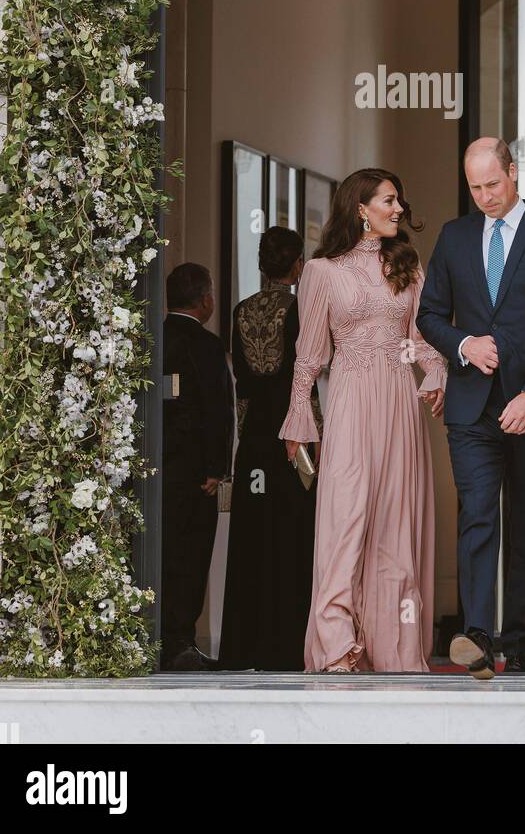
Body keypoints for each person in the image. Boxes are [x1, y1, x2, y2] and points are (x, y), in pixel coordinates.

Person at [416, 137, 525, 679]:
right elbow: (430, 315)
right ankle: (480, 637)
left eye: (493, 184)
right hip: (471, 407)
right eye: (475, 187)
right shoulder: (454, 236)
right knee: (479, 516)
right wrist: (465, 345)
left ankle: (519, 642)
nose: (485, 196)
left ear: (514, 172)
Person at [279, 168, 447, 673]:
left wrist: (435, 370)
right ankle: (335, 646)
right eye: (389, 201)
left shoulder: (408, 267)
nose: (398, 209)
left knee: (396, 528)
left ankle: (394, 648)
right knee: (345, 520)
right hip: (350, 402)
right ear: (361, 209)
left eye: (398, 201)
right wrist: (298, 419)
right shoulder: (322, 272)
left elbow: (420, 339)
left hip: (398, 402)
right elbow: (308, 356)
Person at [218, 226, 319, 670]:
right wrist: (318, 440)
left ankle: (245, 645)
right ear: (297, 264)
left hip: (256, 438)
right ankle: (288, 645)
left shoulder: (240, 311)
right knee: (294, 538)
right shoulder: (302, 309)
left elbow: (242, 388)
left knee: (252, 541)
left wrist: (246, 440)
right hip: (294, 439)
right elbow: (306, 382)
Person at [161, 263, 234, 671]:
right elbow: (218, 411)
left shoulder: (152, 339)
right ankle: (179, 641)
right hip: (195, 474)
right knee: (190, 557)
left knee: (159, 552)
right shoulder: (207, 346)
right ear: (206, 301)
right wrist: (217, 467)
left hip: (155, 472)